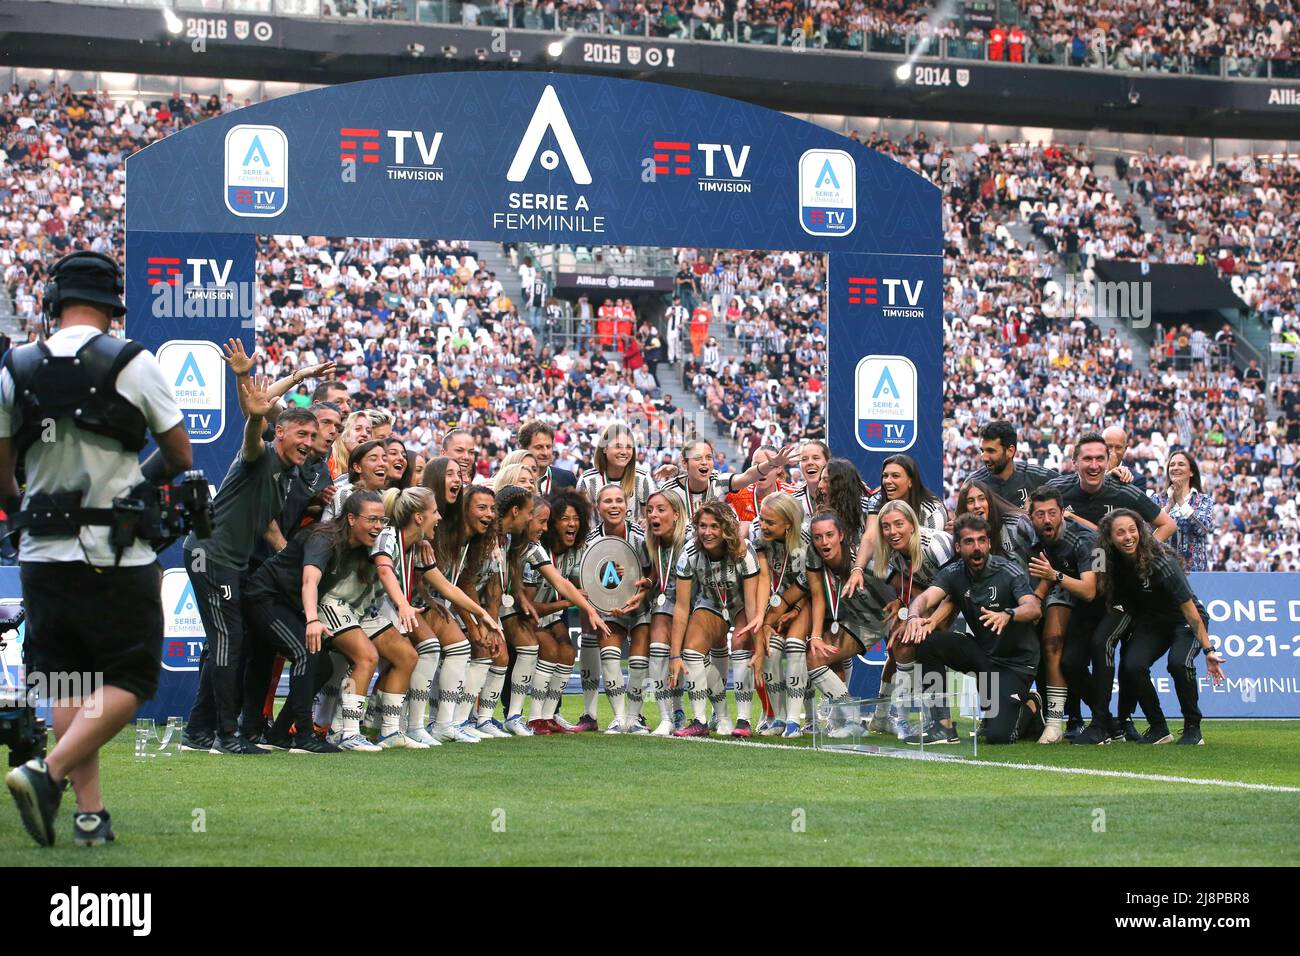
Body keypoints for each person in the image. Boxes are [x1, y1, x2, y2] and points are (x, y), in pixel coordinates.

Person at [2, 251, 192, 847]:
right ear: (114, 307)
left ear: (53, 302)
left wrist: (30, 508)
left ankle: (90, 818)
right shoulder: (133, 362)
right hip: (117, 550)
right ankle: (47, 773)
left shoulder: (15, 367)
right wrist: (133, 485)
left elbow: (3, 477)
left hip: (41, 551)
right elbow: (181, 455)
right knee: (132, 678)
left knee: (67, 682)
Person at [182, 350, 318, 756]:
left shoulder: (289, 471)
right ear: (280, 433)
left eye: (312, 438)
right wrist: (253, 399)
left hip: (233, 560)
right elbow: (256, 415)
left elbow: (269, 525)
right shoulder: (258, 456)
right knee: (229, 641)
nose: (308, 444)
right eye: (302, 436)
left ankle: (198, 732)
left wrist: (298, 377)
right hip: (210, 554)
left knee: (224, 644)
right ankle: (226, 737)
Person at [901, 514, 1045, 744]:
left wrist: (1008, 614)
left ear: (989, 543)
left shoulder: (1008, 571)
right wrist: (914, 617)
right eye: (969, 542)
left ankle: (1031, 705)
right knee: (927, 641)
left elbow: (1033, 608)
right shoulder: (954, 572)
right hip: (983, 655)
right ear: (958, 547)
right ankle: (942, 726)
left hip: (1015, 662)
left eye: (981, 540)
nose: (976, 548)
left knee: (997, 736)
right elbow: (926, 598)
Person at [1090, 509, 1226, 746]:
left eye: (1133, 530)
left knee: (1178, 663)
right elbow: (1094, 548)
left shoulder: (1161, 560)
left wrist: (1208, 650)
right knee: (1133, 665)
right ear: (1110, 538)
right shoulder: (1105, 556)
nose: (1128, 537)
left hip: (1185, 620)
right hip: (1153, 621)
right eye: (1120, 533)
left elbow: (1190, 609)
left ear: (1141, 532)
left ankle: (1193, 727)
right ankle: (1159, 727)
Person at [668, 500, 762, 737]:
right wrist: (675, 655)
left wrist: (758, 647)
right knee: (691, 652)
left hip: (741, 605)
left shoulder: (744, 550)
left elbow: (751, 605)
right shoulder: (689, 552)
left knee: (740, 643)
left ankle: (744, 719)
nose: (707, 532)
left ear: (726, 528)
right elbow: (681, 608)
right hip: (711, 602)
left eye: (714, 526)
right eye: (702, 526)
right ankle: (704, 719)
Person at [1025, 486, 1100, 743]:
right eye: (1040, 514)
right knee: (1051, 643)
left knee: (1088, 660)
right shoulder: (1031, 537)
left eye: (1052, 513)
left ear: (1061, 513)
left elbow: (1091, 591)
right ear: (1031, 516)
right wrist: (1036, 598)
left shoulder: (1084, 539)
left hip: (1104, 600)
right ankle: (1055, 724)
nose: (1047, 520)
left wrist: (1053, 577)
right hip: (1065, 589)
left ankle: (1114, 721)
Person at [1046, 433, 1177, 542]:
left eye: (1099, 459)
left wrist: (1143, 555)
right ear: (1074, 463)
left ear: (1107, 461)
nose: (1094, 465)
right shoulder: (1055, 489)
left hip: (1112, 568)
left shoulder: (1124, 490)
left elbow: (1168, 525)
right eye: (1087, 459)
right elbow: (1030, 516)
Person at [967, 420, 1059, 510]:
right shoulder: (973, 483)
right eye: (982, 451)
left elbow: (1068, 487)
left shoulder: (1037, 476)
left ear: (1010, 451)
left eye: (991, 451)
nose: (984, 457)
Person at [579, 421, 657, 524]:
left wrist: (648, 523)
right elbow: (583, 523)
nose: (624, 452)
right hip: (598, 540)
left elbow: (650, 518)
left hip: (633, 540)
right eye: (618, 446)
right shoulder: (587, 480)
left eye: (629, 447)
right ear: (605, 448)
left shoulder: (642, 478)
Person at [1148, 450, 1214, 572]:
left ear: (1191, 472)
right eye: (1172, 465)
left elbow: (1203, 529)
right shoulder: (1156, 499)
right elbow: (1147, 531)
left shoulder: (1204, 500)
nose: (1175, 468)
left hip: (1195, 571)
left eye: (1181, 464)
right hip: (1163, 570)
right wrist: (1168, 506)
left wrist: (1180, 502)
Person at [519, 419, 576, 494]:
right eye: (539, 447)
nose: (545, 453)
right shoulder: (512, 479)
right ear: (524, 449)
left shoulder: (567, 478)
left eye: (548, 447)